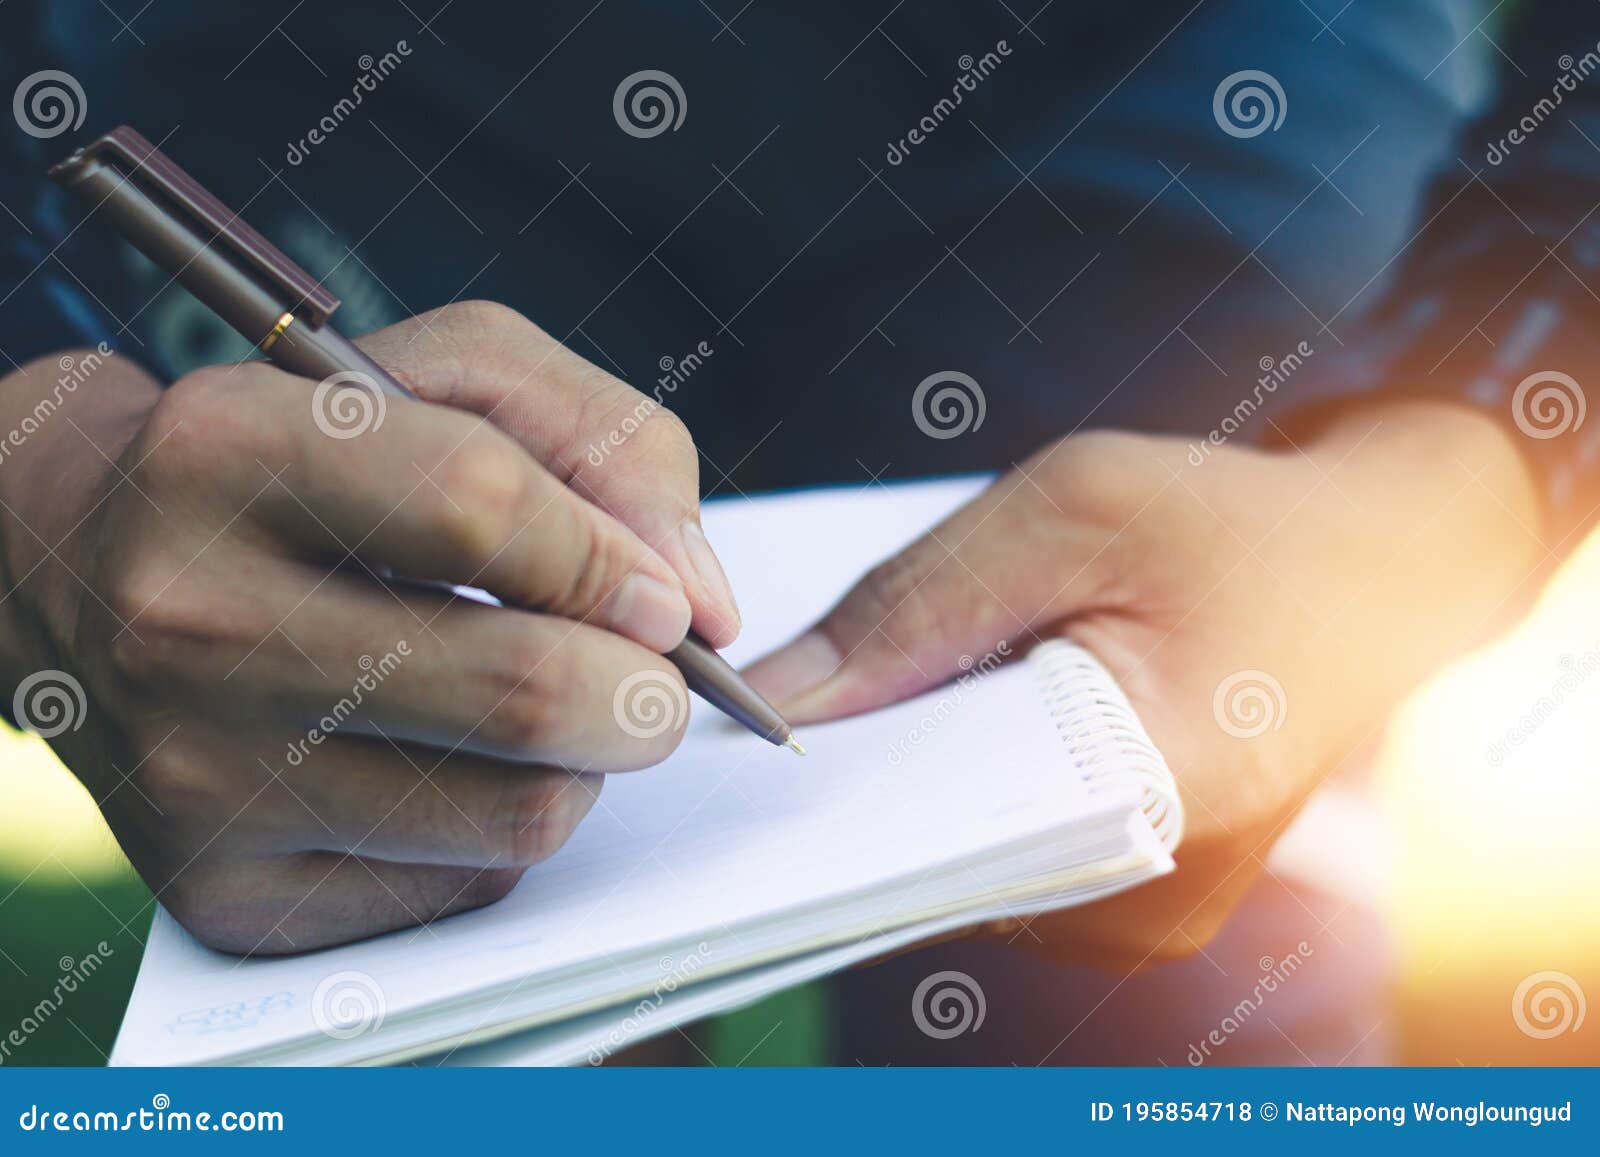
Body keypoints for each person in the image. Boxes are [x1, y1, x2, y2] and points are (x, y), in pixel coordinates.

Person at [0, 0, 1590, 1046]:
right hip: (360, 80)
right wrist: (42, 461)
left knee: (1167, 947)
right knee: (446, 860)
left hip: (1220, 92)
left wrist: (1433, 495)